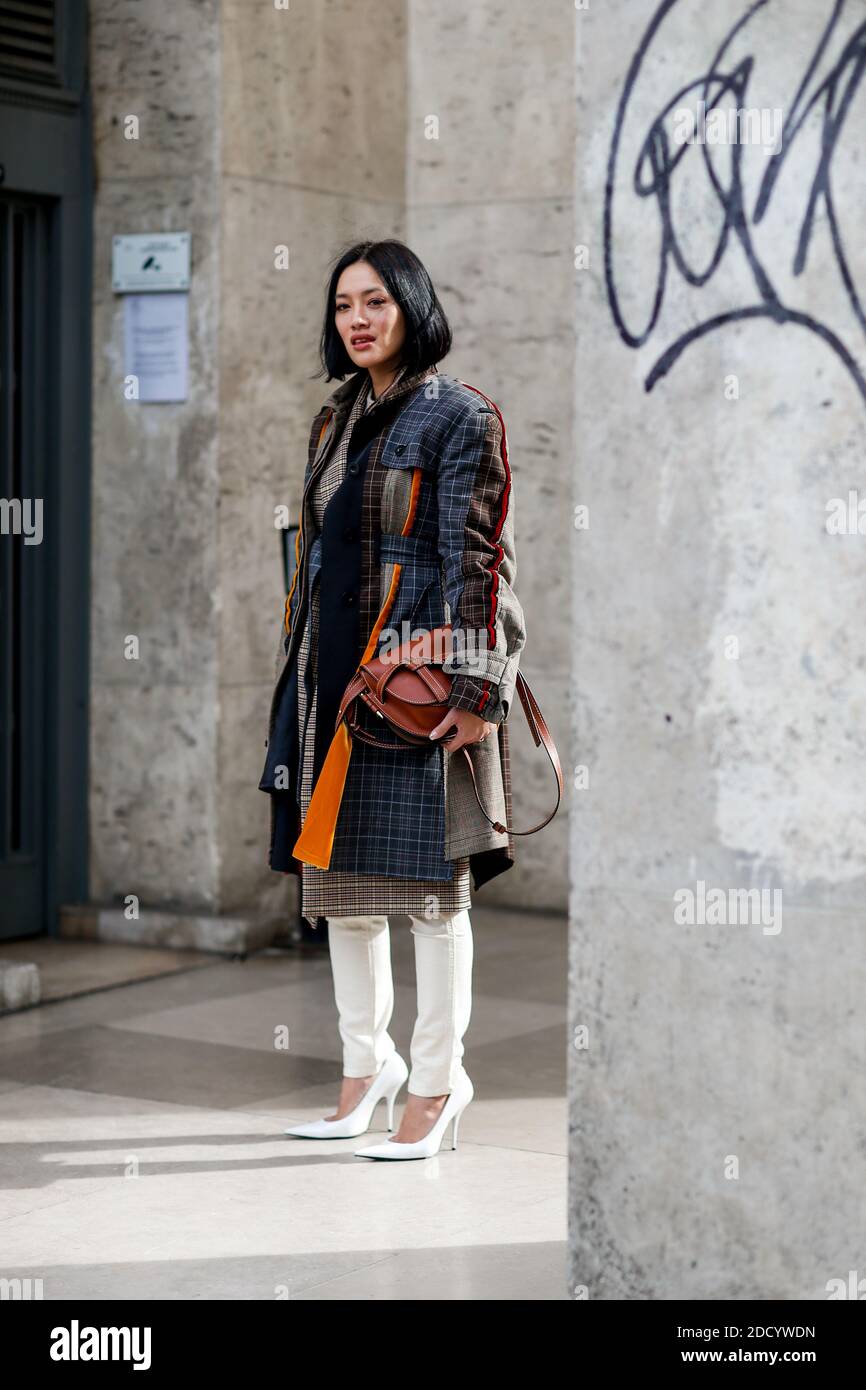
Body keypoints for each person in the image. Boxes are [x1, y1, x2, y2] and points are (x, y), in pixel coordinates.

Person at [259, 238, 526, 1159]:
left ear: (413, 306)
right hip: (330, 681)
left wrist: (473, 688)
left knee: (432, 894)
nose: (359, 319)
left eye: (376, 301)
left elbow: (478, 560)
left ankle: (439, 1086)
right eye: (343, 306)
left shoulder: (461, 415)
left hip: (417, 683)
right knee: (341, 891)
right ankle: (362, 1075)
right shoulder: (334, 418)